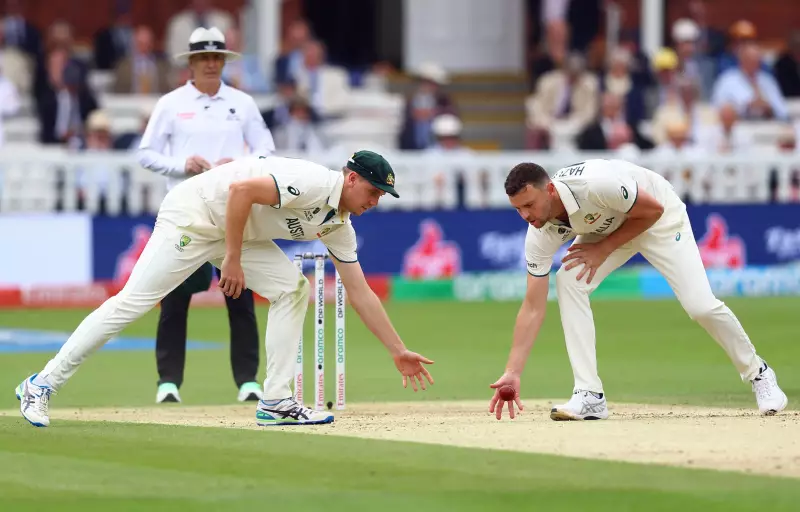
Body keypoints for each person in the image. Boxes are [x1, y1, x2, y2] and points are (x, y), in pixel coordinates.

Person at [16, 150, 435, 428]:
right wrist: (231, 258)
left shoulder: (339, 225)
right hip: (194, 216)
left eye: (382, 195)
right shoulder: (310, 181)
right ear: (350, 178)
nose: (376, 200)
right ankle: (41, 384)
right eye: (374, 190)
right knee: (132, 303)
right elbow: (240, 191)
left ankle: (275, 400)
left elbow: (359, 291)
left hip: (239, 233)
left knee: (292, 290)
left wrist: (397, 350)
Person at [487, 159, 788, 421]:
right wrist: (513, 370)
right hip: (606, 227)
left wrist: (603, 249)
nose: (526, 215)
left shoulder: (594, 185)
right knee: (569, 280)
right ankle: (589, 394)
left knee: (700, 306)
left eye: (529, 205)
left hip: (658, 218)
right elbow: (533, 306)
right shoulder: (538, 233)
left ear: (550, 189)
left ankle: (759, 373)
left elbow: (651, 211)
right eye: (518, 209)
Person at [136, 26, 276, 404]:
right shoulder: (171, 103)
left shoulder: (242, 103)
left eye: (217, 57)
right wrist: (182, 164)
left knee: (239, 295)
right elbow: (146, 153)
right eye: (204, 58)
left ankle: (248, 380)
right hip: (187, 210)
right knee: (175, 296)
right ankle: (168, 382)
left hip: (232, 208)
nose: (211, 64)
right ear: (192, 64)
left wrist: (241, 163)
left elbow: (266, 150)